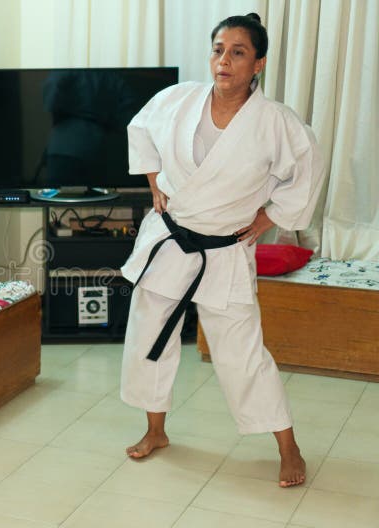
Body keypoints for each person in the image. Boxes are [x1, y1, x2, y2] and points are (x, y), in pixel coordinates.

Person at [118, 13, 325, 488]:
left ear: (258, 64)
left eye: (237, 52)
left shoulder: (275, 122)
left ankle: (289, 448)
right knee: (150, 336)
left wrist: (271, 215)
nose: (224, 60)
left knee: (241, 353)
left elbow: (309, 167)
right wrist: (153, 182)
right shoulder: (180, 98)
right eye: (218, 50)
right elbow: (140, 127)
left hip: (225, 249)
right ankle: (156, 431)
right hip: (171, 239)